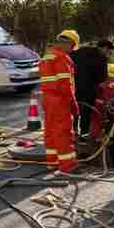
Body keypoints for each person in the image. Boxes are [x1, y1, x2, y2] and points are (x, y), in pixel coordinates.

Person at [39, 29, 80, 173]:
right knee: (63, 132)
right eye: (72, 46)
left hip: (47, 98)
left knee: (50, 131)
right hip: (60, 100)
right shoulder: (61, 58)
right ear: (68, 43)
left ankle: (52, 162)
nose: (71, 50)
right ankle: (68, 165)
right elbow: (65, 85)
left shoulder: (47, 56)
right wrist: (73, 104)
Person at [69, 39, 114, 141]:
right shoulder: (101, 58)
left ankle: (72, 135)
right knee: (86, 114)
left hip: (72, 88)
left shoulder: (81, 51)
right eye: (109, 52)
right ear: (105, 48)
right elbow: (102, 83)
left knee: (74, 112)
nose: (109, 54)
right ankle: (83, 137)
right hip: (88, 92)